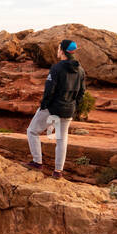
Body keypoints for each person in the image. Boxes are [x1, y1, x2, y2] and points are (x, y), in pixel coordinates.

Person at [26, 39, 86, 178]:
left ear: (62, 51)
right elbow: (82, 92)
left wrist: (44, 106)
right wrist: (74, 107)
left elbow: (49, 90)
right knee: (61, 139)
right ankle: (58, 171)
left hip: (53, 108)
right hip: (68, 109)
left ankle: (37, 162)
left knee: (32, 131)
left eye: (59, 48)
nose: (57, 51)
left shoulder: (57, 68)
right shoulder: (81, 70)